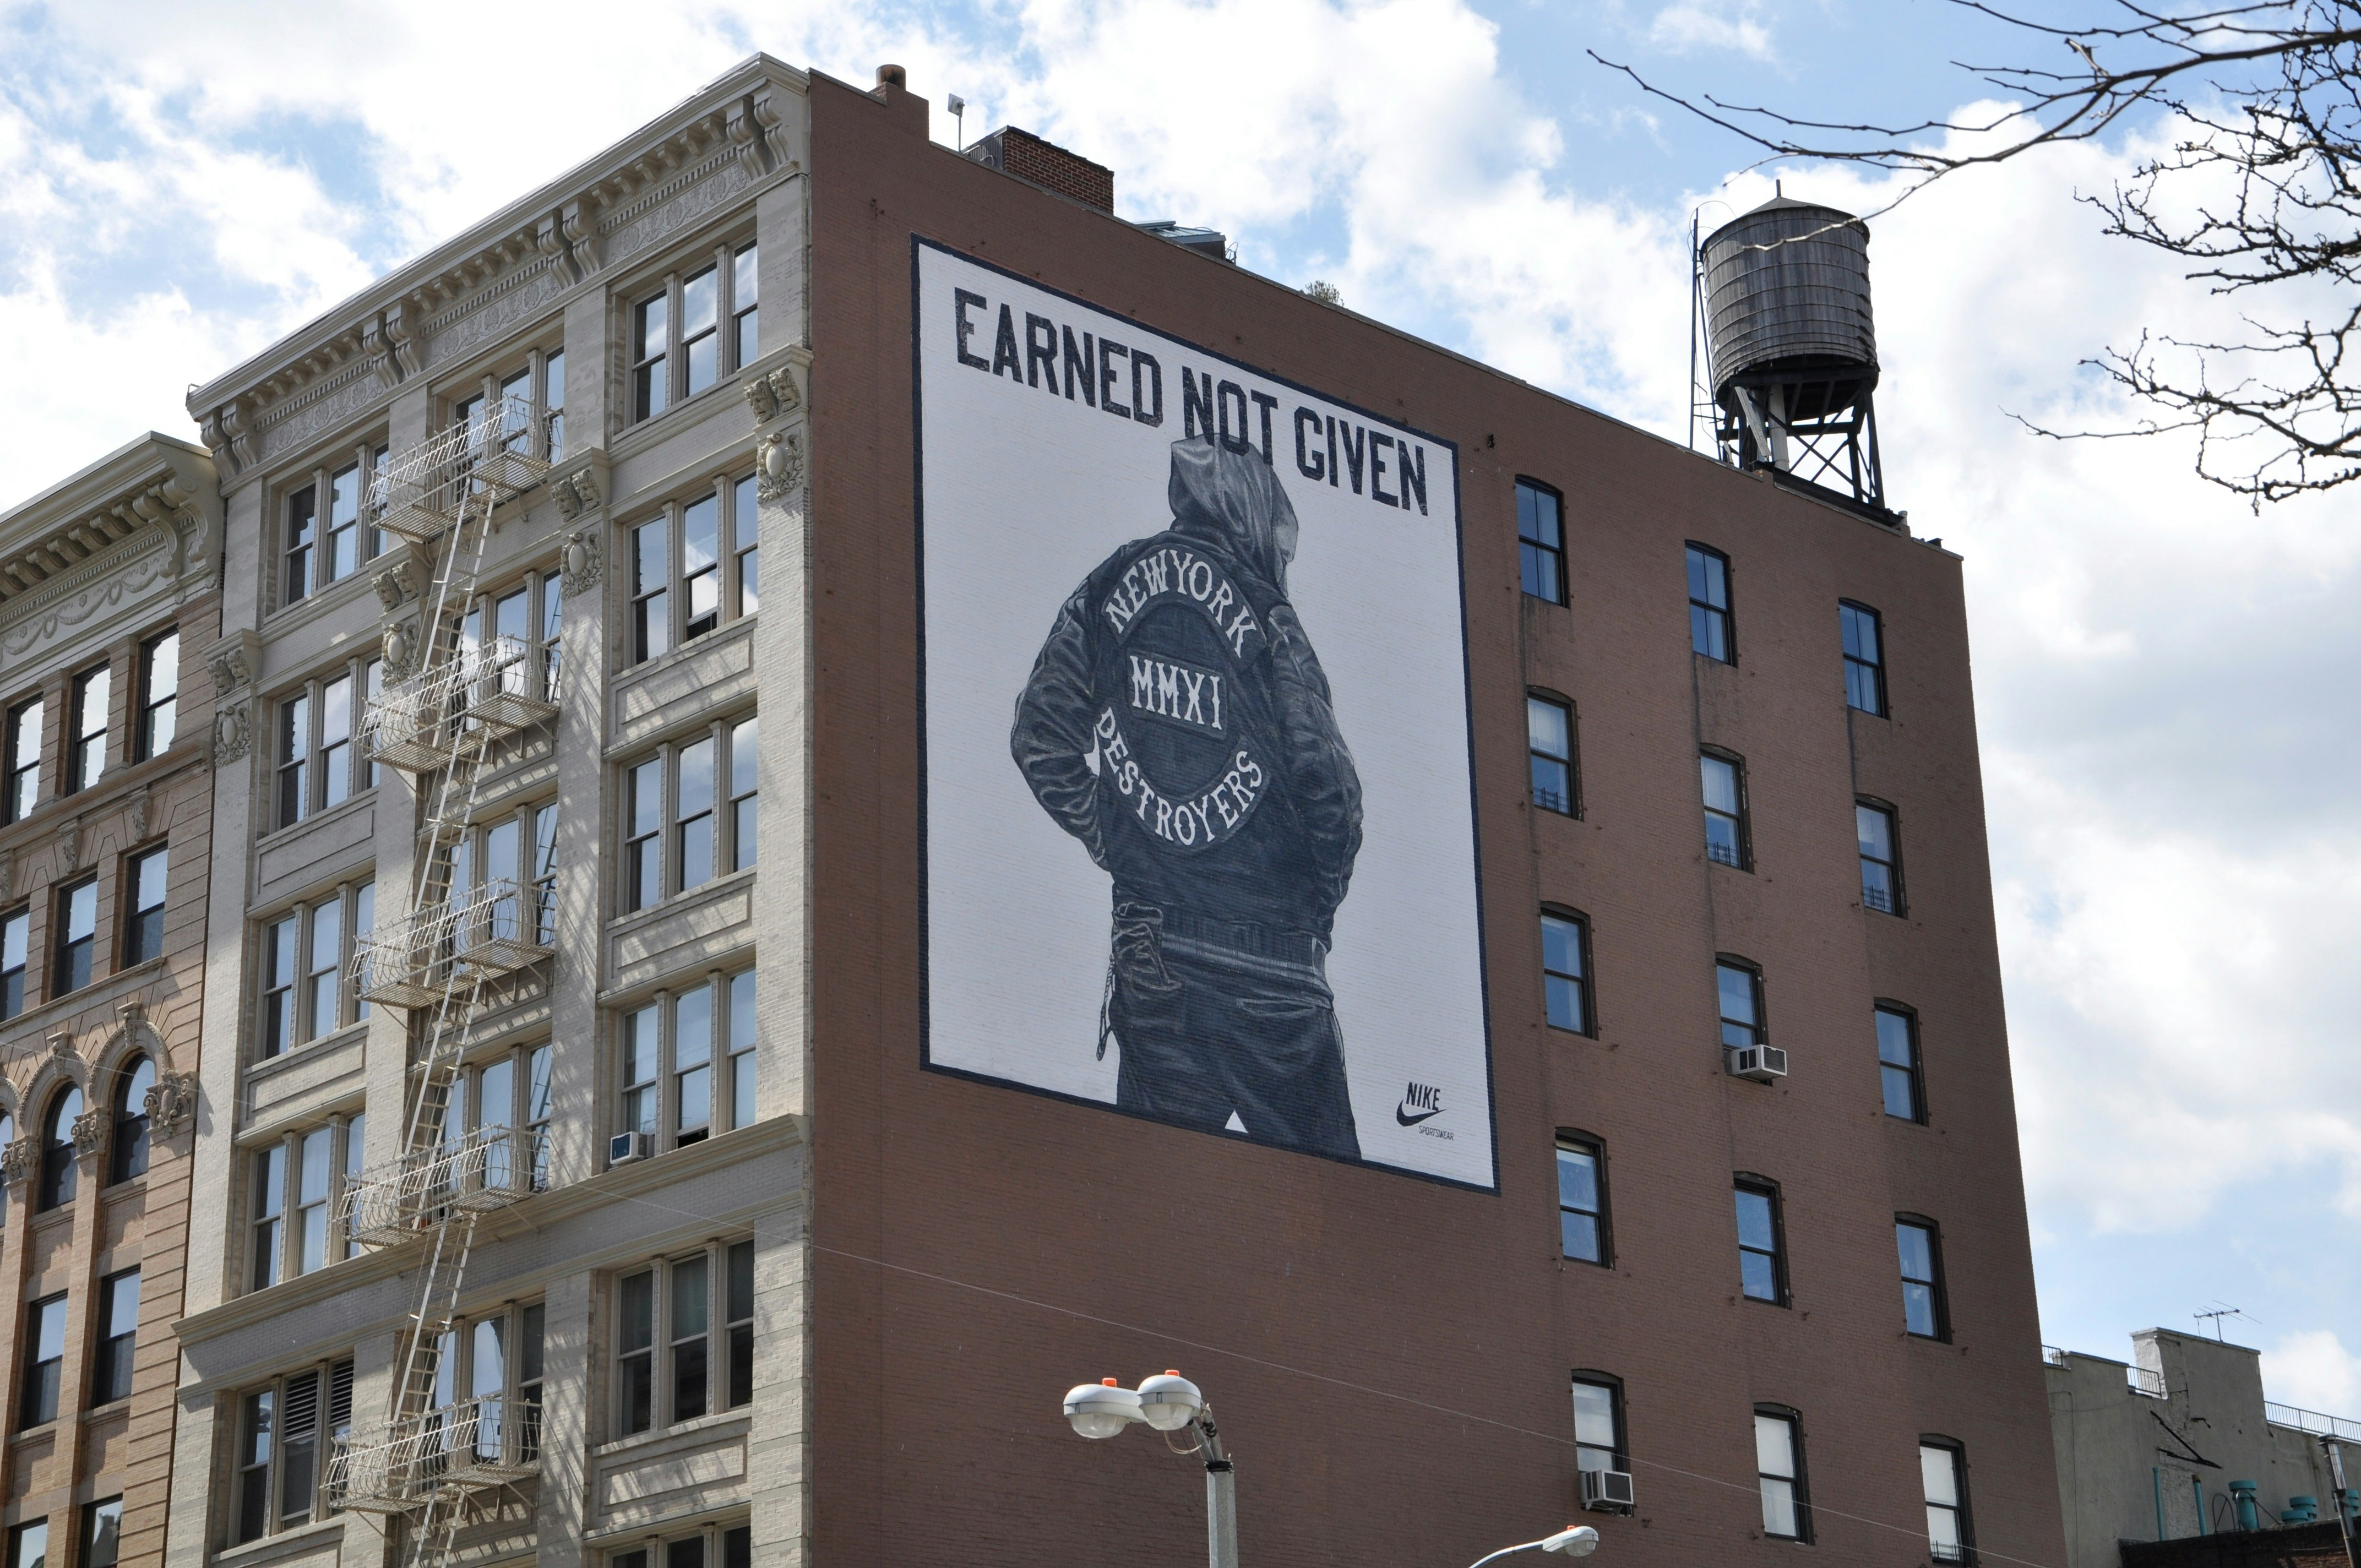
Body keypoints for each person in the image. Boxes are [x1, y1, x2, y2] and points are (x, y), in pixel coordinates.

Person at [1011, 434, 1364, 1159]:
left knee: (1151, 1217)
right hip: (1274, 972)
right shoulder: (1269, 615)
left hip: (1154, 962)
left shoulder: (1109, 585)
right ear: (1253, 510)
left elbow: (1039, 736)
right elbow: (1330, 788)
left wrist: (1120, 838)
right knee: (1346, 1227)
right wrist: (1314, 904)